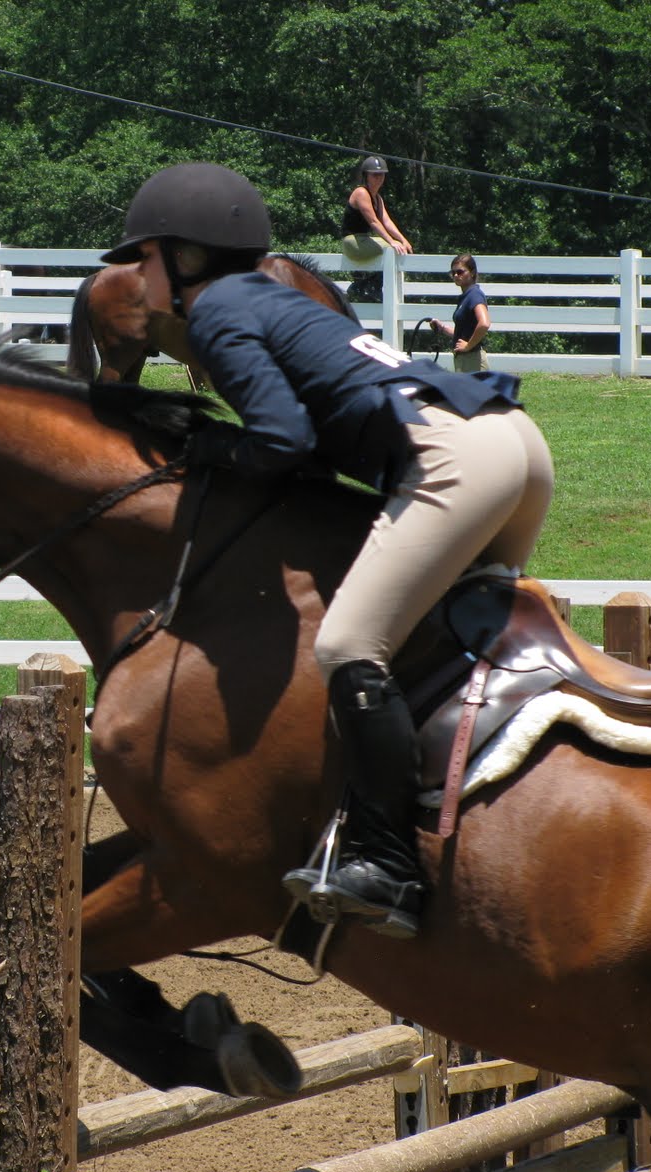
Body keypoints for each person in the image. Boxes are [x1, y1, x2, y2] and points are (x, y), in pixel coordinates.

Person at [103, 162, 554, 938]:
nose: (132, 275)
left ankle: (386, 864)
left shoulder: (216, 314)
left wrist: (215, 451)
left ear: (188, 260)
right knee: (451, 647)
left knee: (349, 644)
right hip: (512, 441)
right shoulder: (273, 298)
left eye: (143, 257)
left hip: (450, 455)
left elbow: (284, 441)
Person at [340, 156, 411, 304]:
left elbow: (386, 221)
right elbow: (374, 222)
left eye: (382, 174)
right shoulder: (361, 193)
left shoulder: (377, 198)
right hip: (352, 241)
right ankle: (366, 287)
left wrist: (403, 240)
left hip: (364, 240)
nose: (379, 178)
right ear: (366, 175)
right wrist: (392, 242)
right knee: (391, 249)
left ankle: (363, 286)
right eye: (375, 174)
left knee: (397, 247)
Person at [430, 254, 490, 373]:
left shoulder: (474, 295)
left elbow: (484, 324)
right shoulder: (466, 297)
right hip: (464, 360)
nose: (456, 275)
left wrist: (468, 346)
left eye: (460, 272)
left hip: (473, 361)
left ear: (472, 272)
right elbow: (462, 334)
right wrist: (442, 328)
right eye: (453, 273)